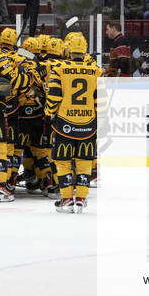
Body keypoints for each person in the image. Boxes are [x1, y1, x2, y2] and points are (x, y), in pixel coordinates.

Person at [44, 33, 99, 213]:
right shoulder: (96, 70)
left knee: (62, 162)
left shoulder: (59, 69)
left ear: (69, 50)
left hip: (64, 124)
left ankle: (67, 199)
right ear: (85, 50)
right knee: (84, 162)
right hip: (88, 125)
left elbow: (53, 96)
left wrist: (49, 112)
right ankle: (81, 199)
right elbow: (100, 101)